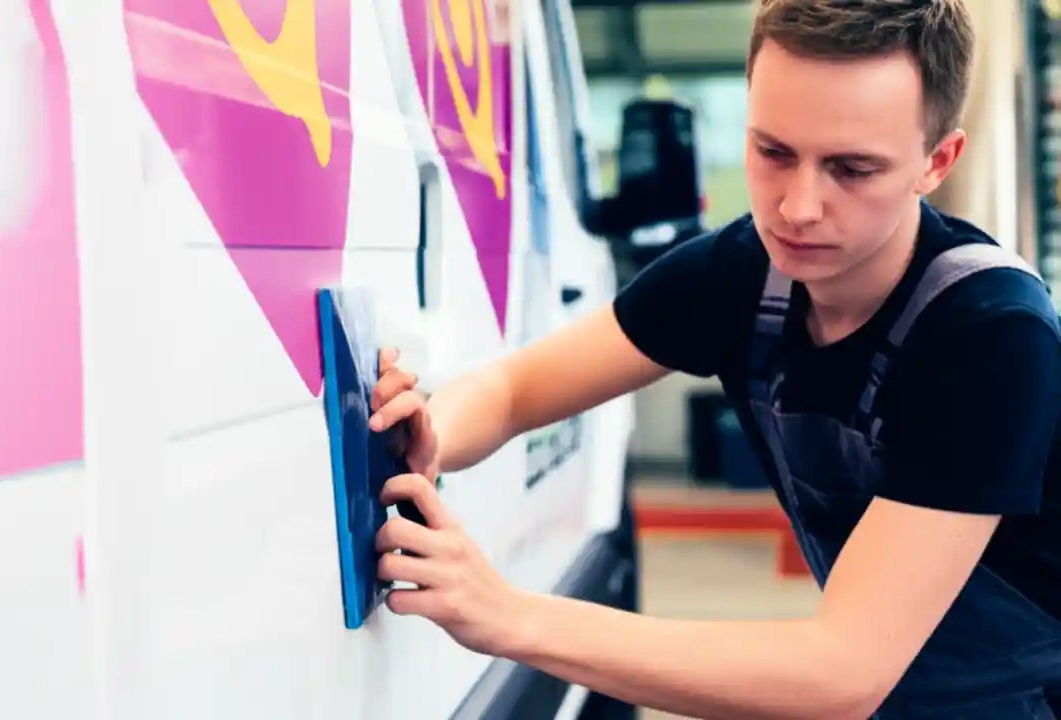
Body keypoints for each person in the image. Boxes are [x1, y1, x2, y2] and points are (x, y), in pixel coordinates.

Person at [366, 1, 1061, 717]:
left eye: (852, 169)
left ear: (937, 162)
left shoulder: (990, 334)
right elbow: (515, 389)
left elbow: (841, 673)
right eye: (773, 152)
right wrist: (433, 431)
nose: (797, 207)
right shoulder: (741, 274)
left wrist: (511, 616)